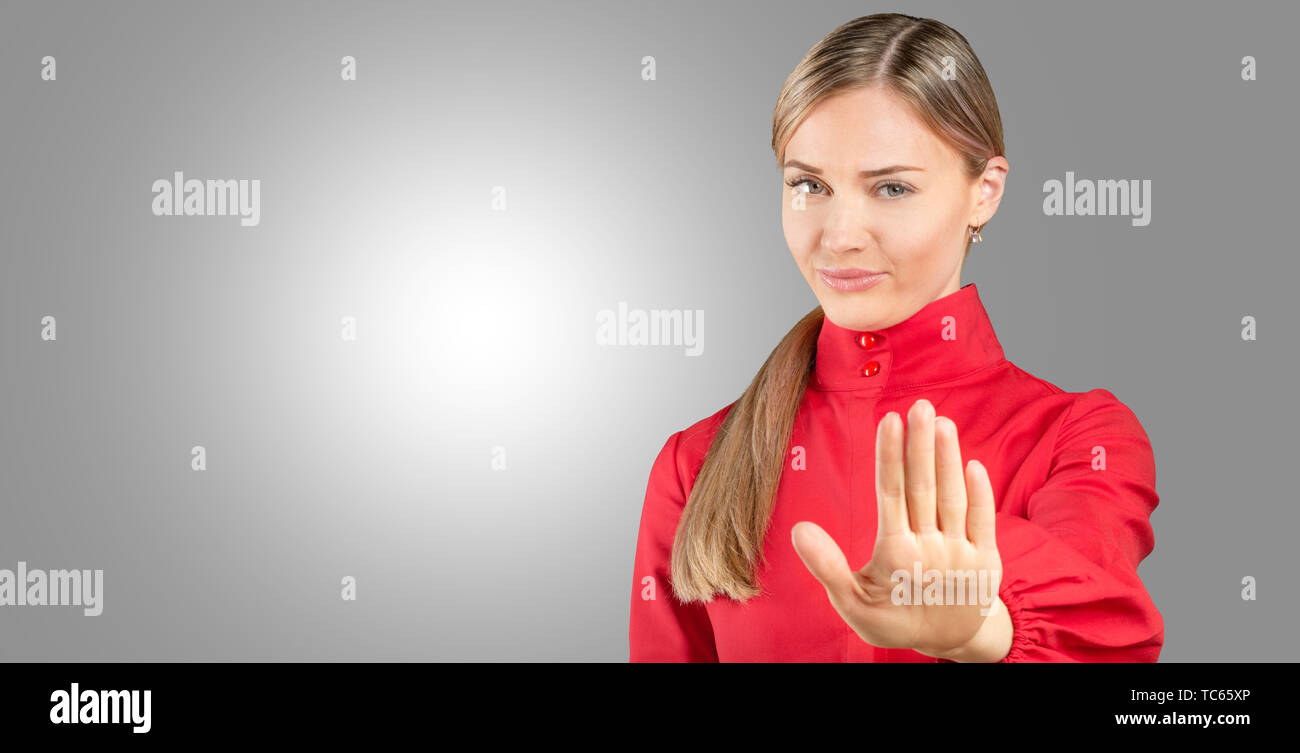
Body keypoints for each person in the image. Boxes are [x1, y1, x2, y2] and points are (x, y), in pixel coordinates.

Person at [628, 13, 1163, 662]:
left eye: (891, 187)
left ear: (984, 193)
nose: (841, 234)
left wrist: (982, 631)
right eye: (809, 184)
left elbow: (1103, 630)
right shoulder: (695, 464)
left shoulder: (1081, 438)